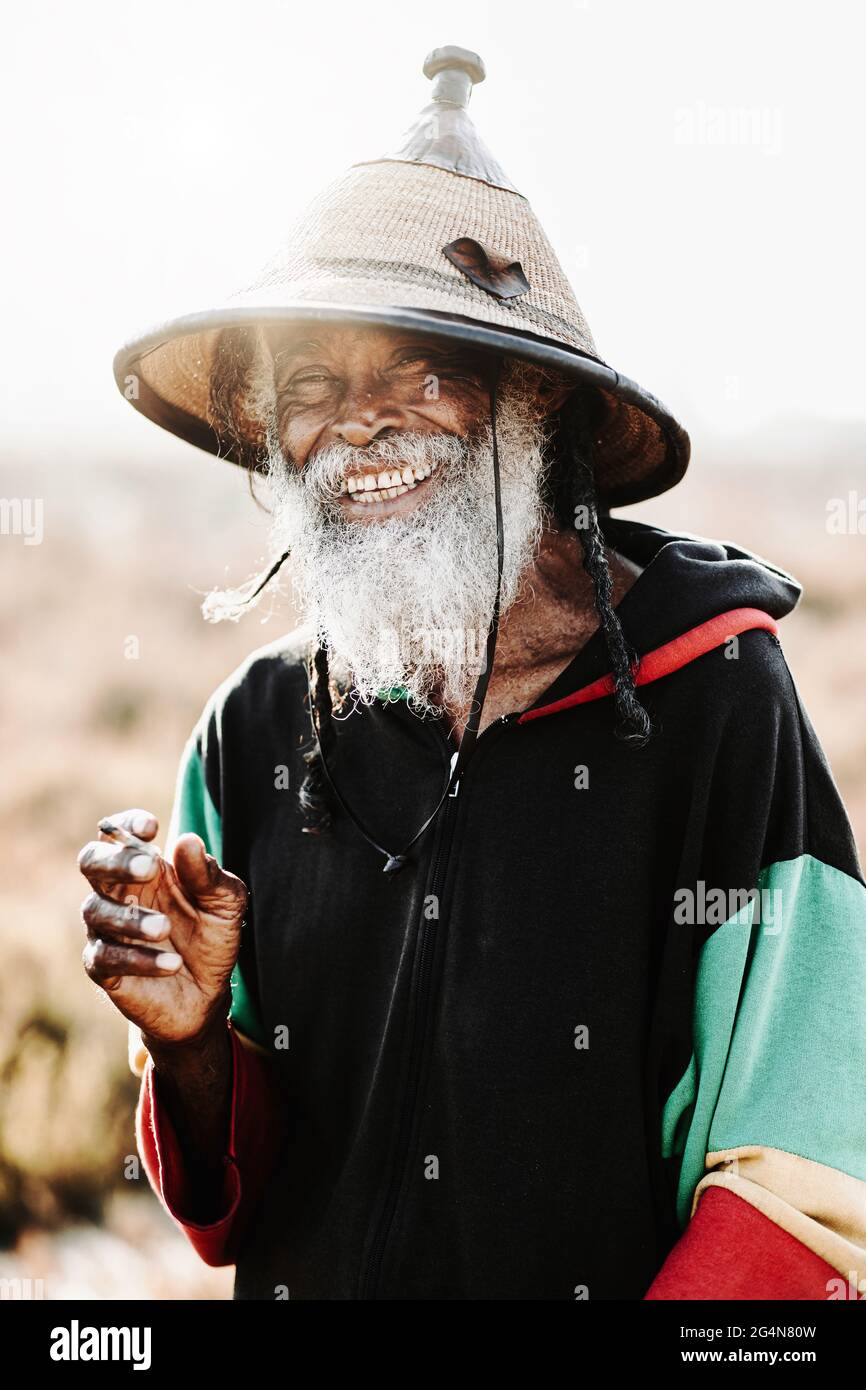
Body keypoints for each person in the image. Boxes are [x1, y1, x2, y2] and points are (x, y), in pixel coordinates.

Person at [78, 47, 866, 1300]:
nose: (358, 424)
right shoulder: (257, 726)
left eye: (418, 372)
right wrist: (186, 1047)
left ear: (533, 407)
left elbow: (799, 1187)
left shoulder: (716, 700)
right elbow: (231, 1213)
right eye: (314, 386)